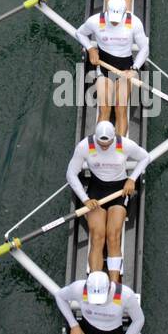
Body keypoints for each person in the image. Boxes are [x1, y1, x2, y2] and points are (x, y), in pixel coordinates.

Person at [66, 120, 150, 283]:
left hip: (119, 191)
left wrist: (132, 179)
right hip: (96, 192)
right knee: (97, 237)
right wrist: (85, 199)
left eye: (108, 143)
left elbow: (145, 157)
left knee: (113, 236)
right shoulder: (85, 146)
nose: (104, 146)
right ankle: (95, 283)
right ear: (95, 138)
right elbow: (71, 173)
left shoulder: (124, 144)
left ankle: (114, 286)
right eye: (100, 143)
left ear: (114, 138)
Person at [76, 0, 148, 138]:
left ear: (125, 12)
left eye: (117, 20)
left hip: (125, 69)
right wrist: (90, 49)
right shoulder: (95, 21)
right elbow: (79, 33)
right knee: (105, 109)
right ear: (107, 11)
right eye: (112, 19)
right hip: (103, 69)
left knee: (120, 109)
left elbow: (144, 49)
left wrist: (134, 69)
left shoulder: (135, 23)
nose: (114, 23)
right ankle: (102, 143)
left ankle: (120, 148)